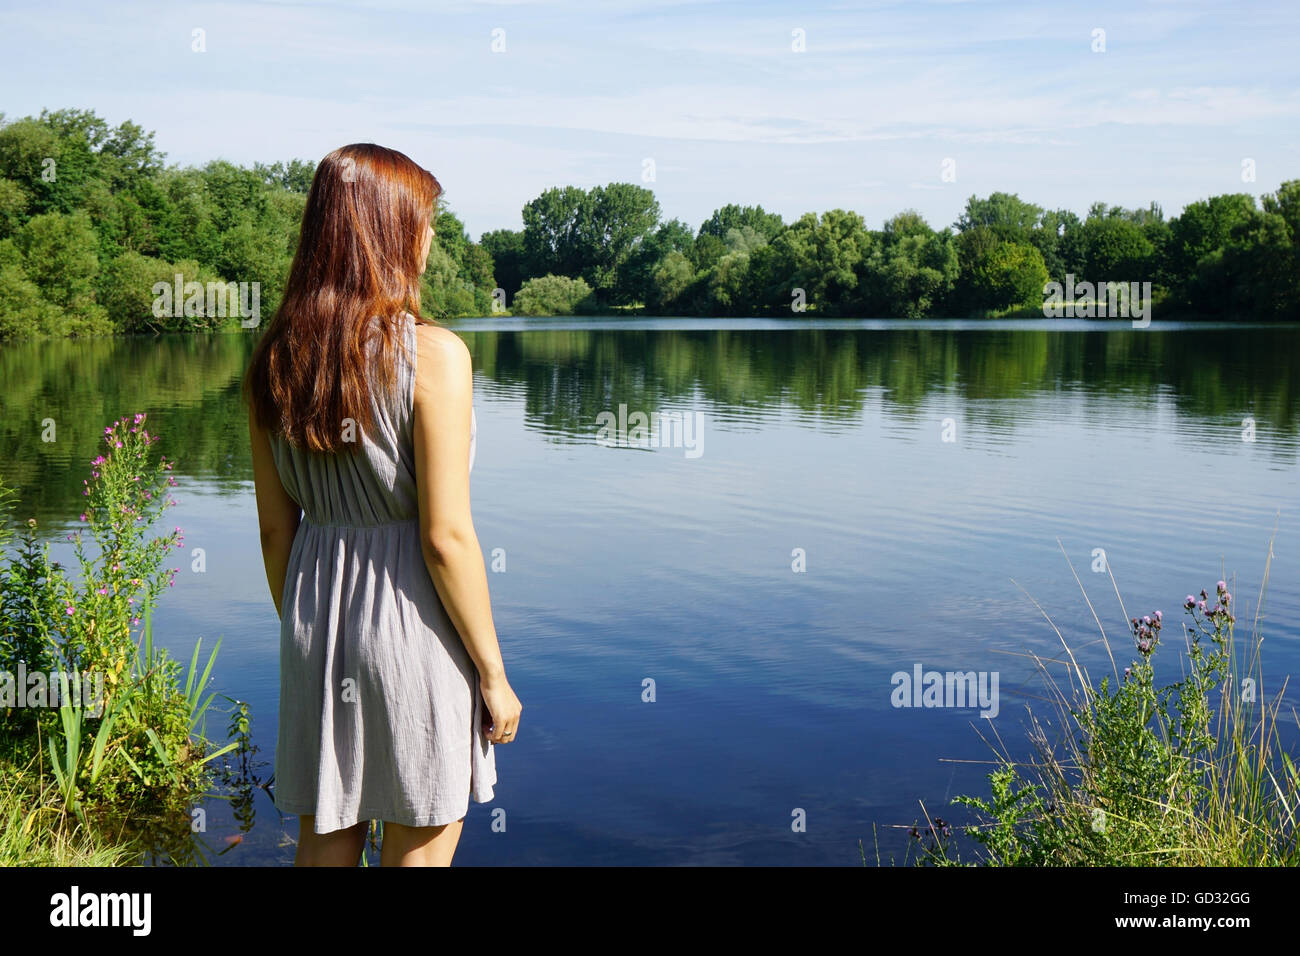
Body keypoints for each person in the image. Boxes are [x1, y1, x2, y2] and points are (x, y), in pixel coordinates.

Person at [242, 143, 521, 866]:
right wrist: (493, 673)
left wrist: (314, 625)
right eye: (424, 220)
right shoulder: (434, 357)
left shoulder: (275, 360)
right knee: (419, 848)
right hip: (411, 625)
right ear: (387, 231)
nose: (430, 238)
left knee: (326, 841)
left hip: (315, 619)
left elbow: (277, 530)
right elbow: (446, 538)